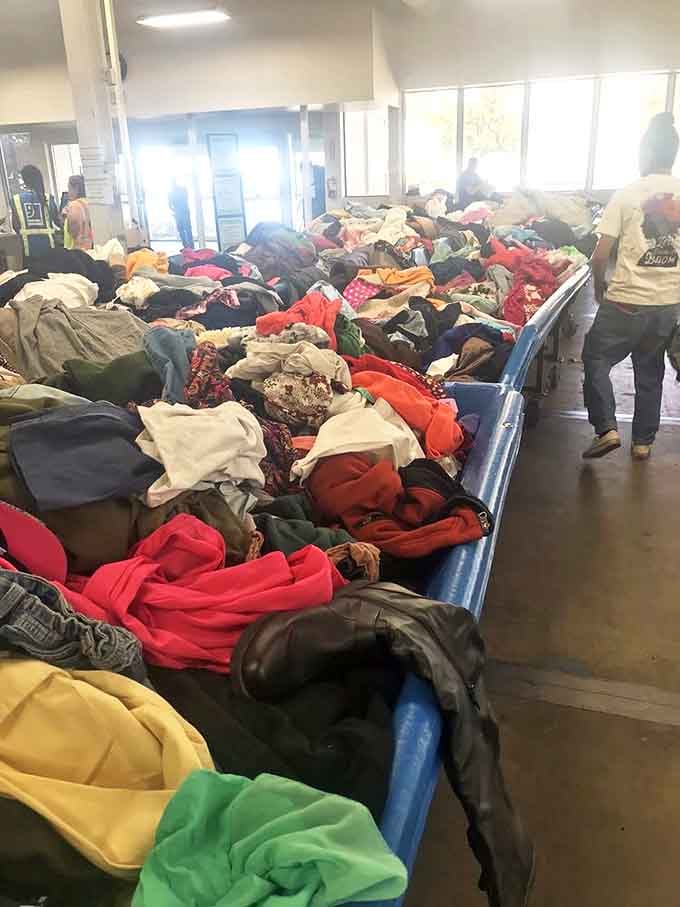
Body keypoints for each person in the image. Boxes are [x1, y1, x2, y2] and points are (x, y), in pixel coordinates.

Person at [582, 112, 680, 461]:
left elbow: (600, 255)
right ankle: (642, 443)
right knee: (650, 370)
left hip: (626, 301)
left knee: (595, 356)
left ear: (645, 154)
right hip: (667, 305)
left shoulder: (626, 195)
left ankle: (607, 427)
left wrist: (598, 289)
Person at [11, 164, 60, 261]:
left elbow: (15, 226)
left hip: (28, 249)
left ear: (24, 180)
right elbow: (58, 221)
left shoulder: (16, 199)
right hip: (50, 247)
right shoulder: (48, 198)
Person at [63, 174, 94, 251]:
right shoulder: (90, 203)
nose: (68, 192)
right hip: (89, 247)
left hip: (76, 249)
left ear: (76, 188)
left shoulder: (74, 205)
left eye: (69, 188)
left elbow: (73, 228)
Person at [168, 180, 194, 249]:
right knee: (183, 230)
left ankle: (189, 246)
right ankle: (188, 246)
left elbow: (170, 205)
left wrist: (174, 208)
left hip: (182, 212)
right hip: (180, 212)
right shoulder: (173, 192)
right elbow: (170, 205)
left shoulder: (174, 192)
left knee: (186, 229)